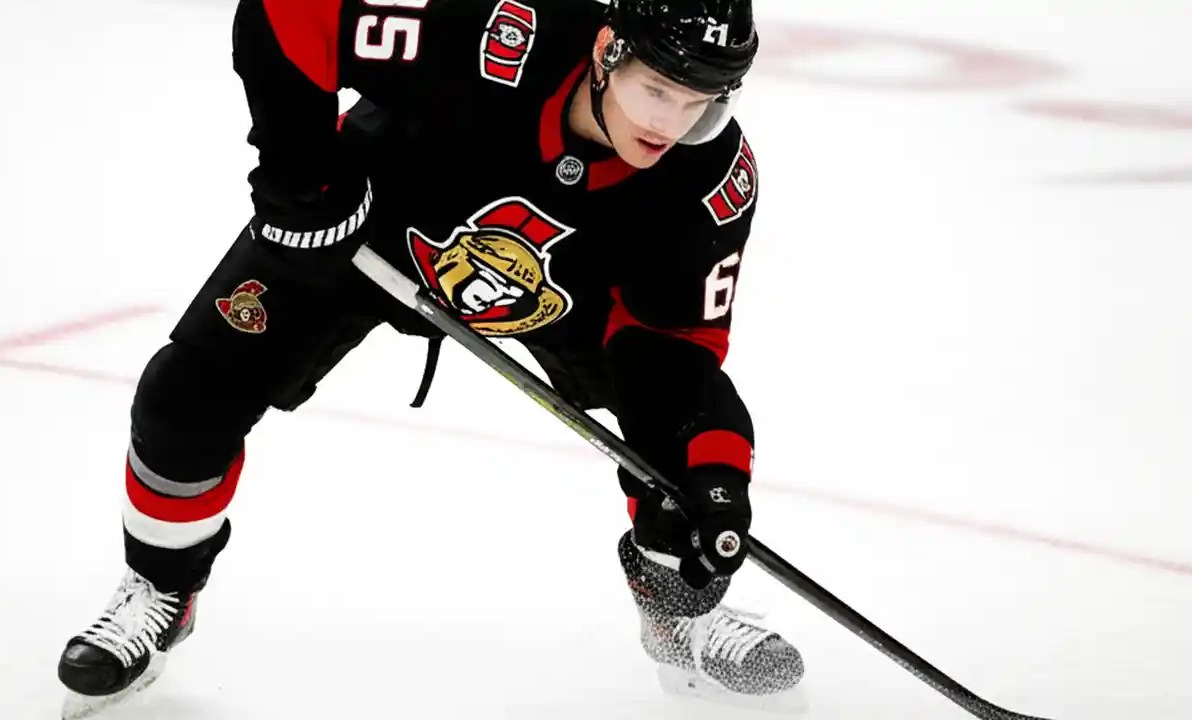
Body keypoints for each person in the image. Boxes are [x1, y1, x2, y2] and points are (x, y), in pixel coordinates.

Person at [56, 0, 805, 715]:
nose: (672, 125)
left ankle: (681, 614)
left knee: (681, 443)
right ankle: (160, 588)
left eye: (700, 101)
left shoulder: (711, 178)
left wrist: (711, 479)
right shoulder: (493, 29)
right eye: (659, 91)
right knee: (189, 392)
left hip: (565, 289)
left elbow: (676, 351)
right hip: (366, 231)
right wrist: (299, 176)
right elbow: (298, 9)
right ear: (608, 51)